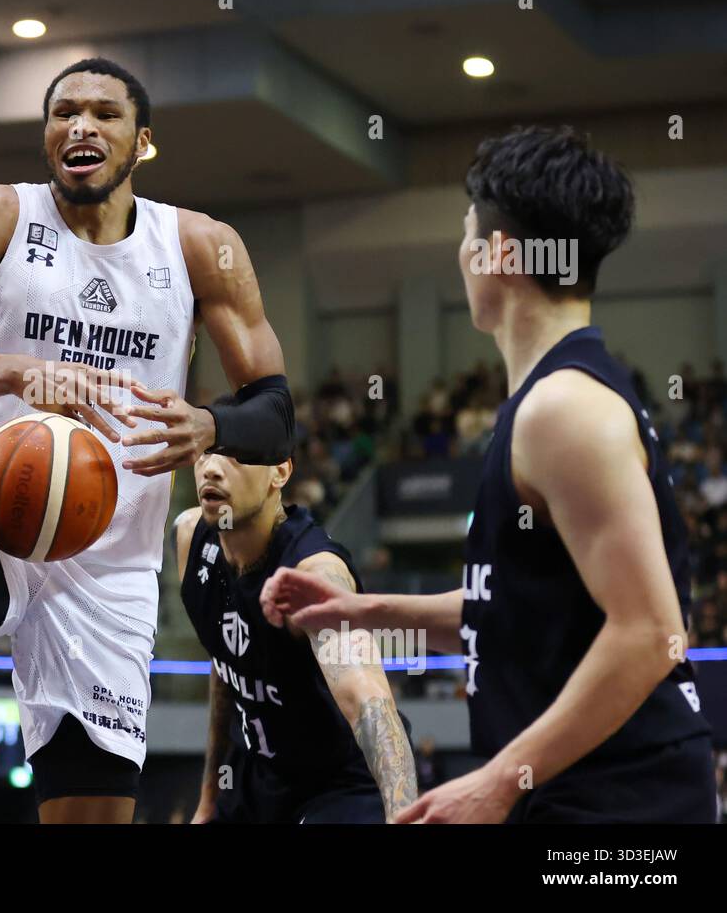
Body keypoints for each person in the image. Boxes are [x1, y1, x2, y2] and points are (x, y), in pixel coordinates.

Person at [0, 57, 295, 823]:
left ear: (143, 142)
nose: (81, 126)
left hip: (109, 556)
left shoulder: (198, 247)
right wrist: (15, 372)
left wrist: (210, 425)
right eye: (63, 113)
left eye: (103, 113)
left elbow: (276, 409)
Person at [263, 126, 716, 823]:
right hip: (593, 798)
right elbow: (513, 613)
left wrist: (501, 778)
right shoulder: (555, 399)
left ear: (499, 253)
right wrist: (365, 611)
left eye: (467, 233)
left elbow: (651, 632)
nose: (460, 254)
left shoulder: (562, 410)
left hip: (621, 808)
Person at [175, 433, 416, 823]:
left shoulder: (316, 573)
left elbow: (369, 701)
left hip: (338, 785)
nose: (212, 468)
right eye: (206, 453)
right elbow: (225, 666)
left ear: (280, 471)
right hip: (256, 778)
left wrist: (403, 816)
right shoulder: (189, 536)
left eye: (236, 455)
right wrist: (206, 803)